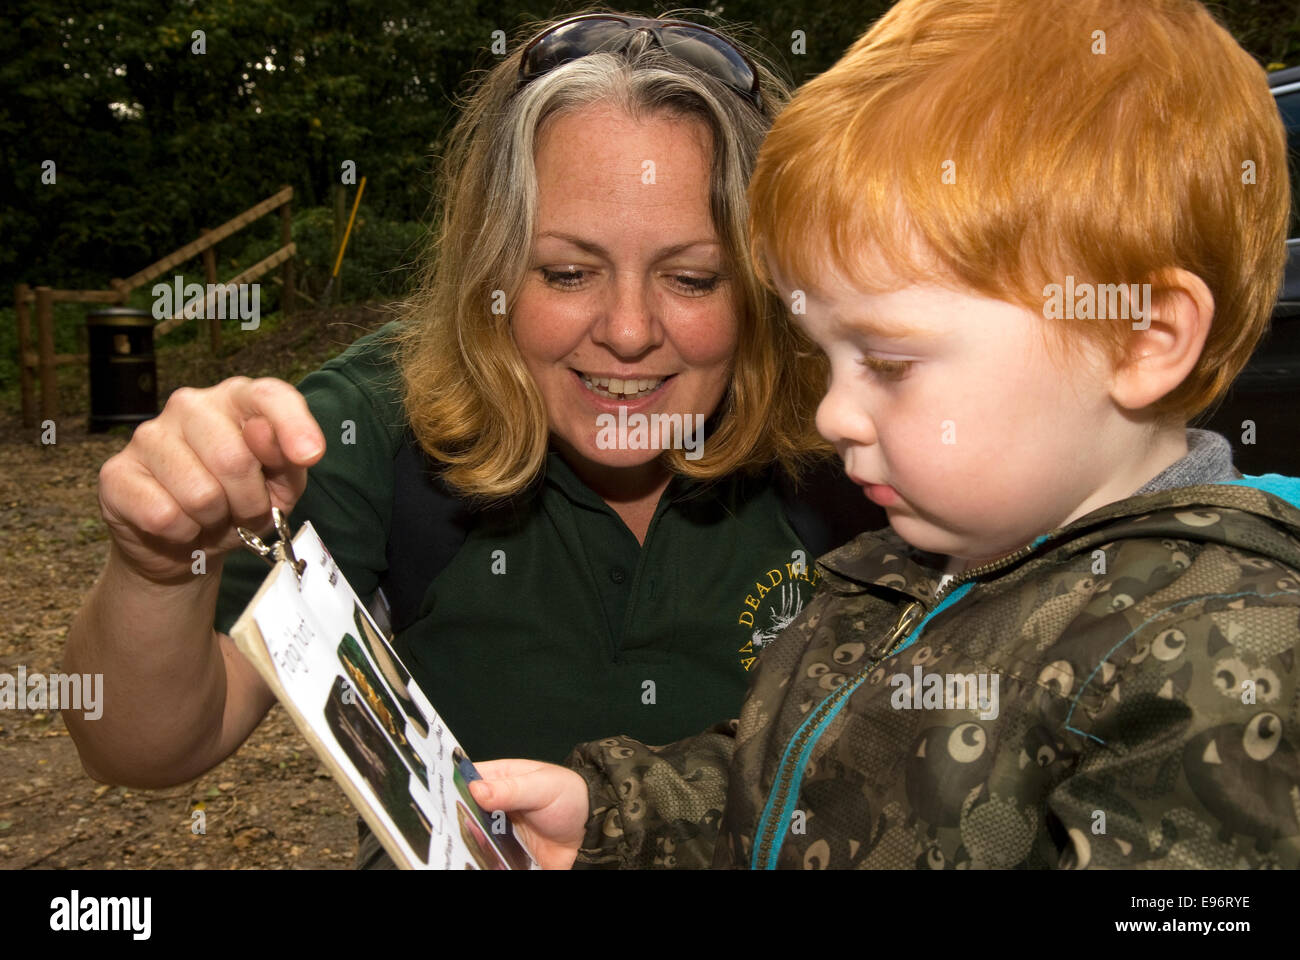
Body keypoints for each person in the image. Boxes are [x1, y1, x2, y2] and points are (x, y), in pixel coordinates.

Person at [468, 0, 1300, 869]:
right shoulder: (915, 565)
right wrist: (613, 818)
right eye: (825, 355)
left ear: (1140, 337)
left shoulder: (1218, 665)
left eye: (891, 363)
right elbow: (802, 775)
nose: (831, 414)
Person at [60, 9, 881, 868]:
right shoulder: (369, 423)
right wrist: (155, 567)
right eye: (567, 272)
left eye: (692, 277)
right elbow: (140, 747)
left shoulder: (858, 441)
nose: (630, 331)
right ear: (492, 268)